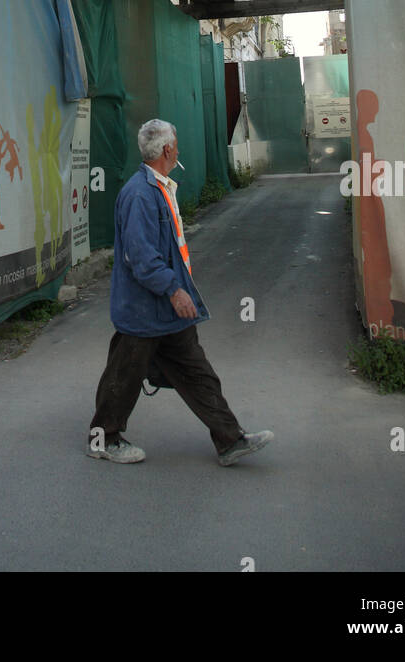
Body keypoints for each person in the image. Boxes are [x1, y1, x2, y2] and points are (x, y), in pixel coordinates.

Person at [87, 119, 274, 466]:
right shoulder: (140, 194)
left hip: (166, 312)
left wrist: (176, 292)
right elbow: (140, 258)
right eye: (177, 145)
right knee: (123, 378)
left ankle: (230, 440)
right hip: (144, 310)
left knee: (198, 373)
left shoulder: (157, 187)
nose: (179, 150)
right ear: (168, 150)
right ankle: (103, 439)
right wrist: (174, 289)